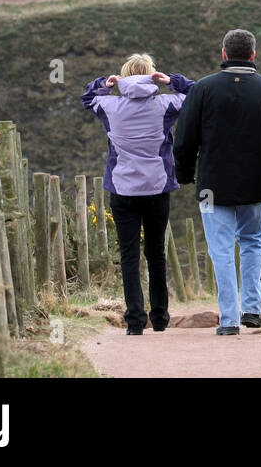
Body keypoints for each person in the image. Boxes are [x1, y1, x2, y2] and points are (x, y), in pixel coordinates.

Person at [173, 29, 261, 335]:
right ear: (253, 55)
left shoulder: (202, 89)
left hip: (210, 187)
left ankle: (228, 320)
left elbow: (184, 139)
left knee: (220, 249)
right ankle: (253, 310)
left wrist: (184, 173)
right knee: (253, 243)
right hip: (254, 185)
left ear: (224, 53)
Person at [81, 54, 193, 334]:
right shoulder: (167, 104)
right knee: (156, 253)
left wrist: (104, 85)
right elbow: (197, 94)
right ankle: (161, 318)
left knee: (129, 255)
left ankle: (134, 321)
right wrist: (173, 81)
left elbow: (87, 98)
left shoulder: (109, 105)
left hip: (123, 189)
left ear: (123, 76)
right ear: (152, 75)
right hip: (157, 188)